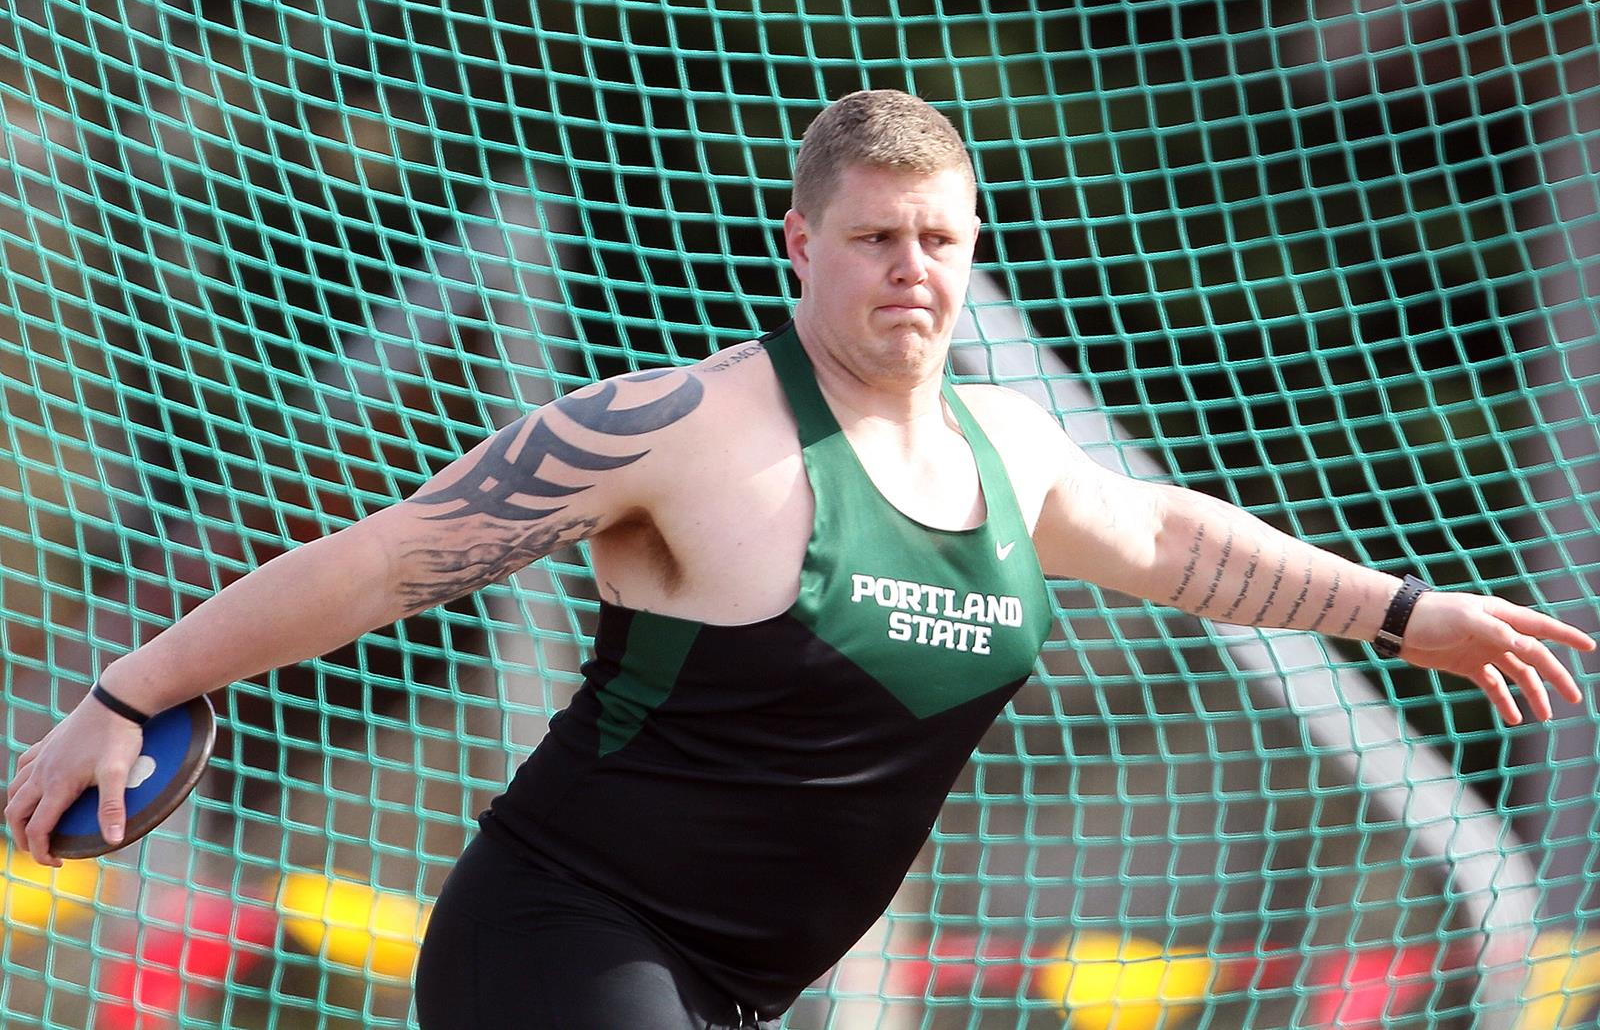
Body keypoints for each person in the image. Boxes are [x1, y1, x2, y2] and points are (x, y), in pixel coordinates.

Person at [6, 90, 1592, 1029]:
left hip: (740, 995)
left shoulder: (1012, 455)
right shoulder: (672, 428)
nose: (913, 270)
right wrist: (129, 691)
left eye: (940, 240)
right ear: (801, 245)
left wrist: (1409, 613)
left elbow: (1177, 540)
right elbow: (382, 564)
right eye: (875, 237)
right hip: (565, 942)